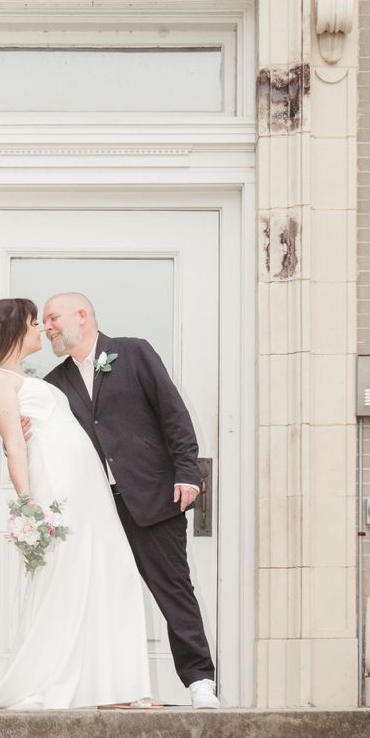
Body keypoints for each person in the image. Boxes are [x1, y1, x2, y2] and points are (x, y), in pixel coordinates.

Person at [0, 297, 155, 710]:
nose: (41, 330)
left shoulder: (31, 377)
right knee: (69, 579)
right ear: (14, 330)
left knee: (109, 572)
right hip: (59, 489)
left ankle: (114, 687)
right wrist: (28, 505)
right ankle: (62, 680)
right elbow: (14, 445)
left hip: (89, 489)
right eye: (34, 323)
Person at [40, 292, 218, 710]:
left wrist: (188, 474)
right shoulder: (53, 384)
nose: (46, 326)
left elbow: (173, 414)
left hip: (153, 499)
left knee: (173, 590)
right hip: (95, 510)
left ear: (81, 316)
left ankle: (200, 681)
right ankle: (109, 685)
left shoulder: (134, 353)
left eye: (52, 317)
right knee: (103, 596)